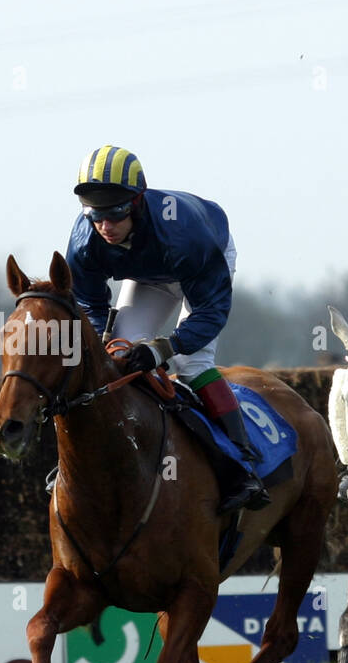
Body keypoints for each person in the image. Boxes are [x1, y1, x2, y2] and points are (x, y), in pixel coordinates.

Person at [65, 145, 269, 512]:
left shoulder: (183, 235)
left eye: (115, 213)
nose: (105, 227)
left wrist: (164, 348)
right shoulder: (84, 242)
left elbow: (210, 312)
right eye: (96, 215)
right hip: (151, 275)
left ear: (137, 202)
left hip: (202, 263)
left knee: (191, 365)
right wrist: (103, 339)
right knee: (117, 358)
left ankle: (243, 465)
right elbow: (91, 305)